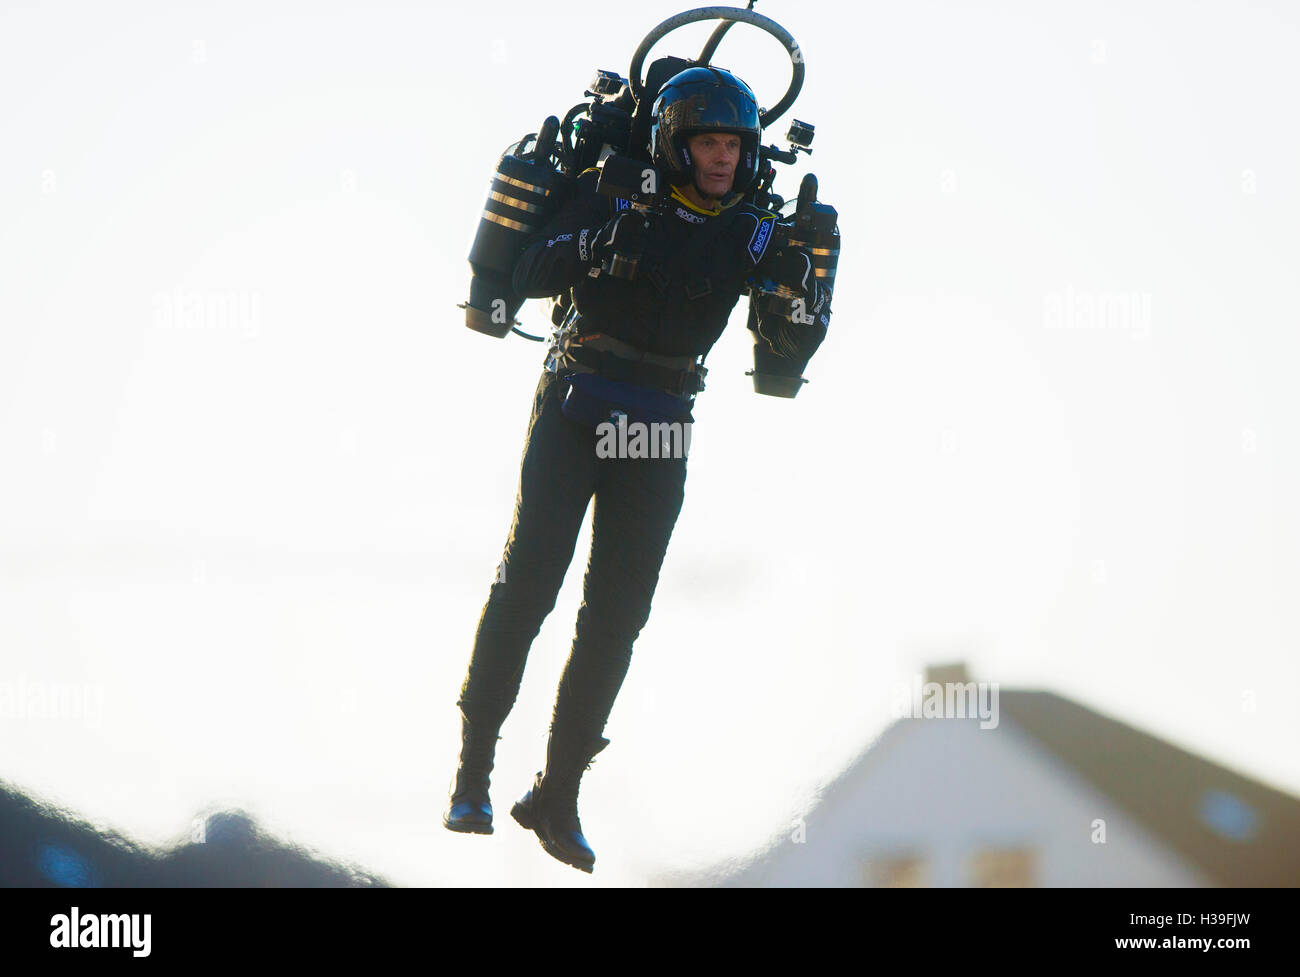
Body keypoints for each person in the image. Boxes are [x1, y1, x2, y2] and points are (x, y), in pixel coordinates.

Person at [444, 65, 829, 873]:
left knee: (616, 617)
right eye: (708, 142)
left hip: (660, 423)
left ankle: (558, 790)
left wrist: (801, 302)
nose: (722, 159)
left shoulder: (758, 229)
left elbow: (783, 357)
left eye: (734, 144)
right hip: (580, 396)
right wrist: (589, 244)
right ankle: (474, 768)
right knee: (530, 585)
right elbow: (520, 279)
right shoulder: (616, 190)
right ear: (675, 143)